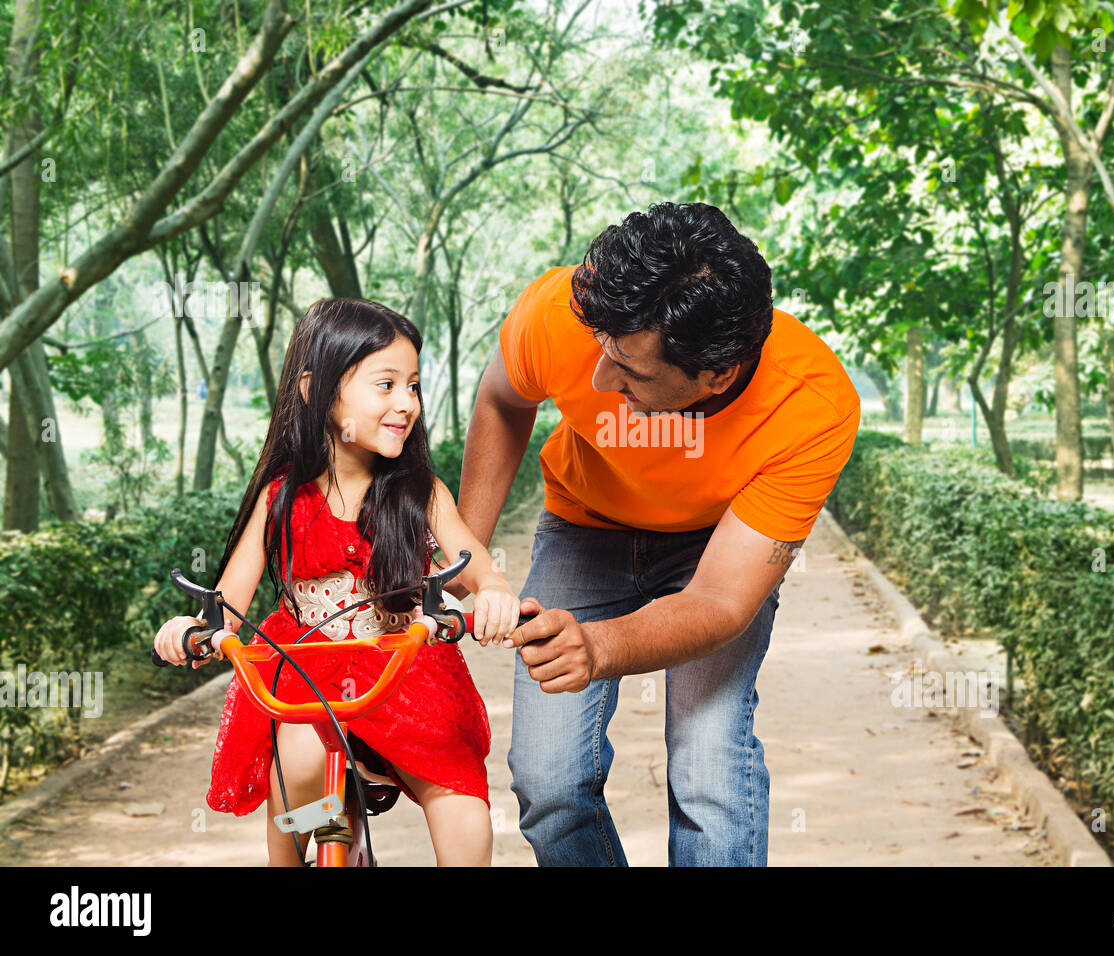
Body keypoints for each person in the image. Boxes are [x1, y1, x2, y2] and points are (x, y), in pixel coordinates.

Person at [457, 201, 862, 866]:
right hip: (584, 529)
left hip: (715, 544)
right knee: (548, 783)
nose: (597, 380)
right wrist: (465, 557)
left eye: (631, 372)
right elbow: (504, 399)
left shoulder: (811, 404)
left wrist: (601, 645)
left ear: (717, 375)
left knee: (710, 771)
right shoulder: (566, 309)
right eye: (603, 350)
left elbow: (719, 602)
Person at [152, 298, 521, 867]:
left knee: (464, 811)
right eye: (387, 385)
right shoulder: (280, 496)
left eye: (414, 386)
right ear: (317, 391)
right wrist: (194, 630)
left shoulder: (418, 490)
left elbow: (479, 566)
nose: (407, 404)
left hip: (406, 675)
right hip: (308, 676)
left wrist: (494, 592)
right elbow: (227, 605)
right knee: (295, 769)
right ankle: (309, 846)